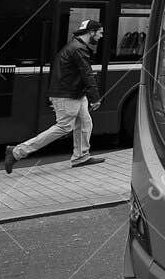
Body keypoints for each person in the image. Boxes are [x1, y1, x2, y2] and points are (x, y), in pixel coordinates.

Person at [6, 20, 106, 171]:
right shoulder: (78, 49)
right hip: (67, 95)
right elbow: (87, 74)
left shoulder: (74, 45)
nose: (101, 36)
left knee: (85, 123)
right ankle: (16, 152)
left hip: (75, 94)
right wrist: (95, 98)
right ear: (91, 32)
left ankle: (81, 157)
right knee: (64, 127)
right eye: (100, 33)